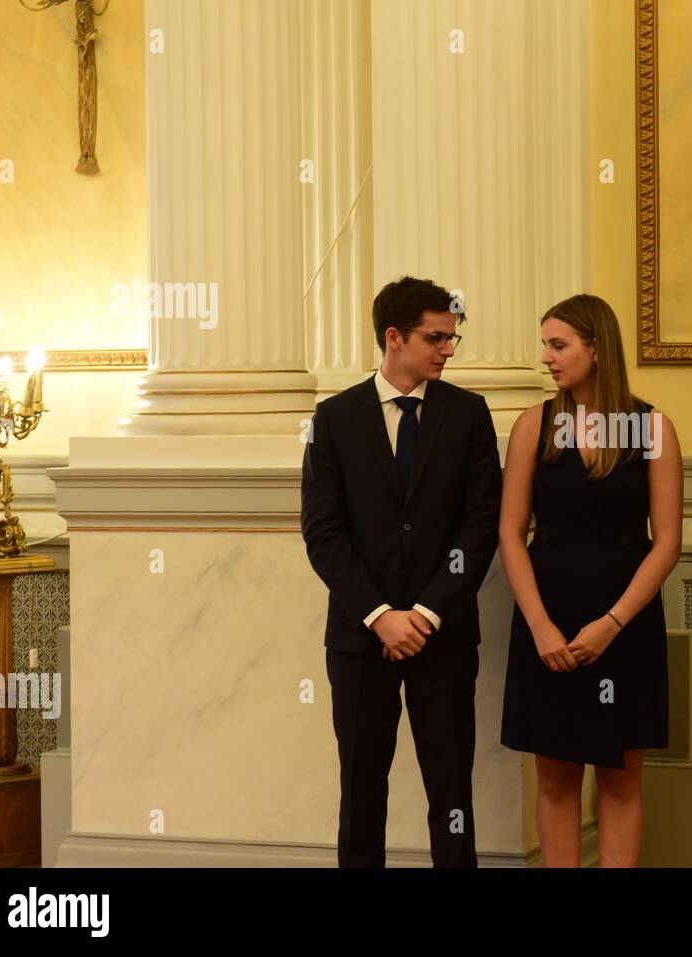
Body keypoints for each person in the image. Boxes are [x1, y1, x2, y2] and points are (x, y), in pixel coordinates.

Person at [301, 276, 502, 867]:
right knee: (361, 793)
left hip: (445, 637)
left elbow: (481, 524)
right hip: (360, 641)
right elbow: (323, 532)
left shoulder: (468, 414)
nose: (449, 349)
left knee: (451, 794)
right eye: (436, 337)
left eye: (453, 337)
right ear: (394, 337)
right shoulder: (334, 418)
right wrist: (382, 616)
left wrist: (427, 613)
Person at [499, 294, 682, 867]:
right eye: (545, 346)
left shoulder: (651, 426)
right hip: (546, 617)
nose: (547, 359)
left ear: (597, 349)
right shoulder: (534, 424)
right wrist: (540, 627)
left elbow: (669, 541)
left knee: (621, 780)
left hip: (625, 622)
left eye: (559, 345)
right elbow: (510, 534)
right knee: (555, 780)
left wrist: (611, 624)